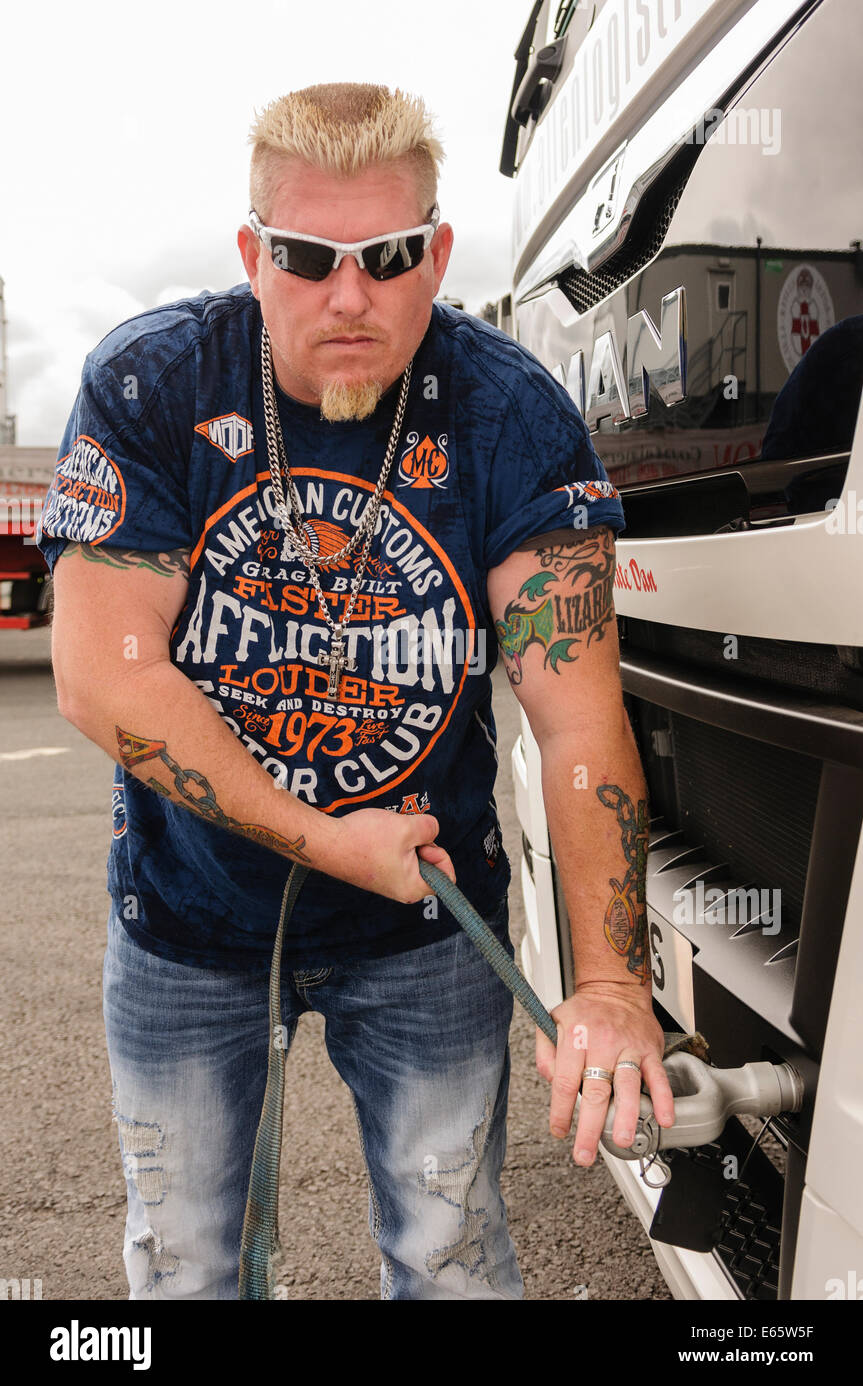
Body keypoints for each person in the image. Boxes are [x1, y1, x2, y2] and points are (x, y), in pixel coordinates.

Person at [36, 81, 673, 1301]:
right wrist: (329, 841)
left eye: (387, 257)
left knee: (449, 1256)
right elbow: (100, 677)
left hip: (423, 929)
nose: (349, 295)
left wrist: (606, 984)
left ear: (436, 255)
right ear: (250, 252)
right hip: (189, 923)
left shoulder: (509, 414)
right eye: (307, 257)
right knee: (182, 1269)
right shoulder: (156, 384)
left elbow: (577, 714)